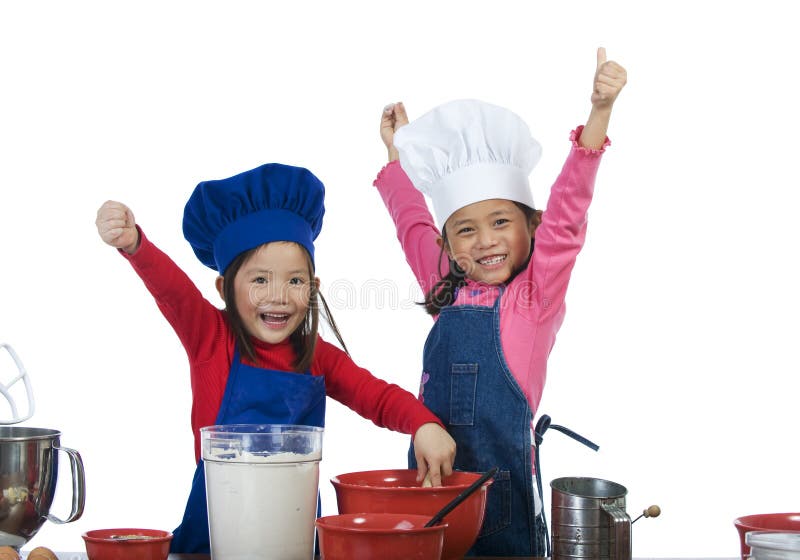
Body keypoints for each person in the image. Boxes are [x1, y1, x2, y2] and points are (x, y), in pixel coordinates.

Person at [95, 163, 456, 553]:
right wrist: (135, 245)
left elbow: (377, 396)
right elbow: (173, 290)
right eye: (260, 279)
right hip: (216, 527)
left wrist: (424, 424)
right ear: (224, 288)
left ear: (313, 287)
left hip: (294, 526)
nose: (279, 295)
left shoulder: (317, 357)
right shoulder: (210, 337)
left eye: (295, 280)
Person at [374, 48, 626, 555]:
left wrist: (598, 118)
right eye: (466, 230)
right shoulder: (445, 284)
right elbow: (411, 225)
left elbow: (567, 217)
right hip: (430, 496)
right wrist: (397, 158)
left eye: (501, 222)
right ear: (447, 246)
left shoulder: (533, 300)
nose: (485, 241)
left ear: (530, 226)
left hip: (500, 512)